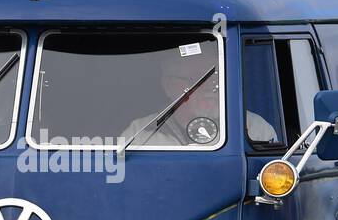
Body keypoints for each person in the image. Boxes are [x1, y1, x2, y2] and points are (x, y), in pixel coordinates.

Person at [119, 46, 278, 148]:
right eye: (197, 80)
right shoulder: (141, 133)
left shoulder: (253, 127)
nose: (209, 87)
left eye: (214, 78)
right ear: (168, 86)